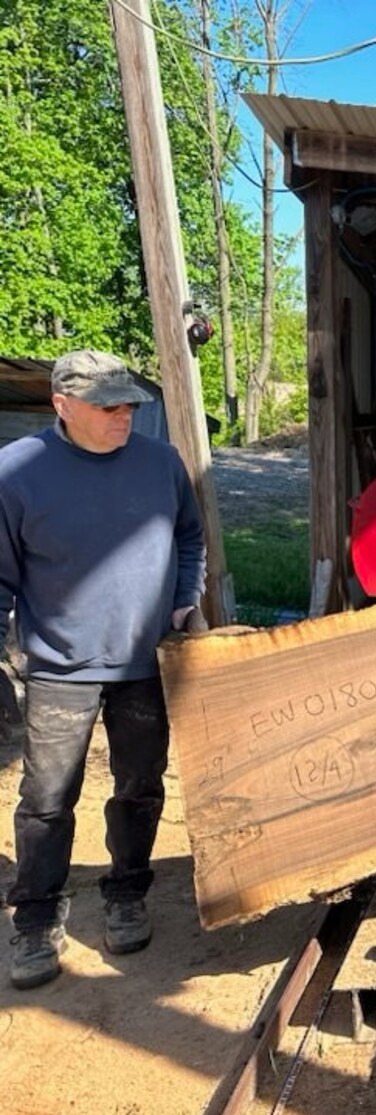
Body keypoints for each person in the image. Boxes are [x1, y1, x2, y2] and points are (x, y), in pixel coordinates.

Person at [1, 350, 206, 990]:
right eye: (108, 406)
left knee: (141, 784)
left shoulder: (160, 463)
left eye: (129, 404)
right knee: (46, 798)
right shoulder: (17, 473)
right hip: (61, 666)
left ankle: (127, 892)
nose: (124, 415)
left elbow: (190, 537)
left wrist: (183, 598)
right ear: (62, 405)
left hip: (146, 662)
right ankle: (35, 917)